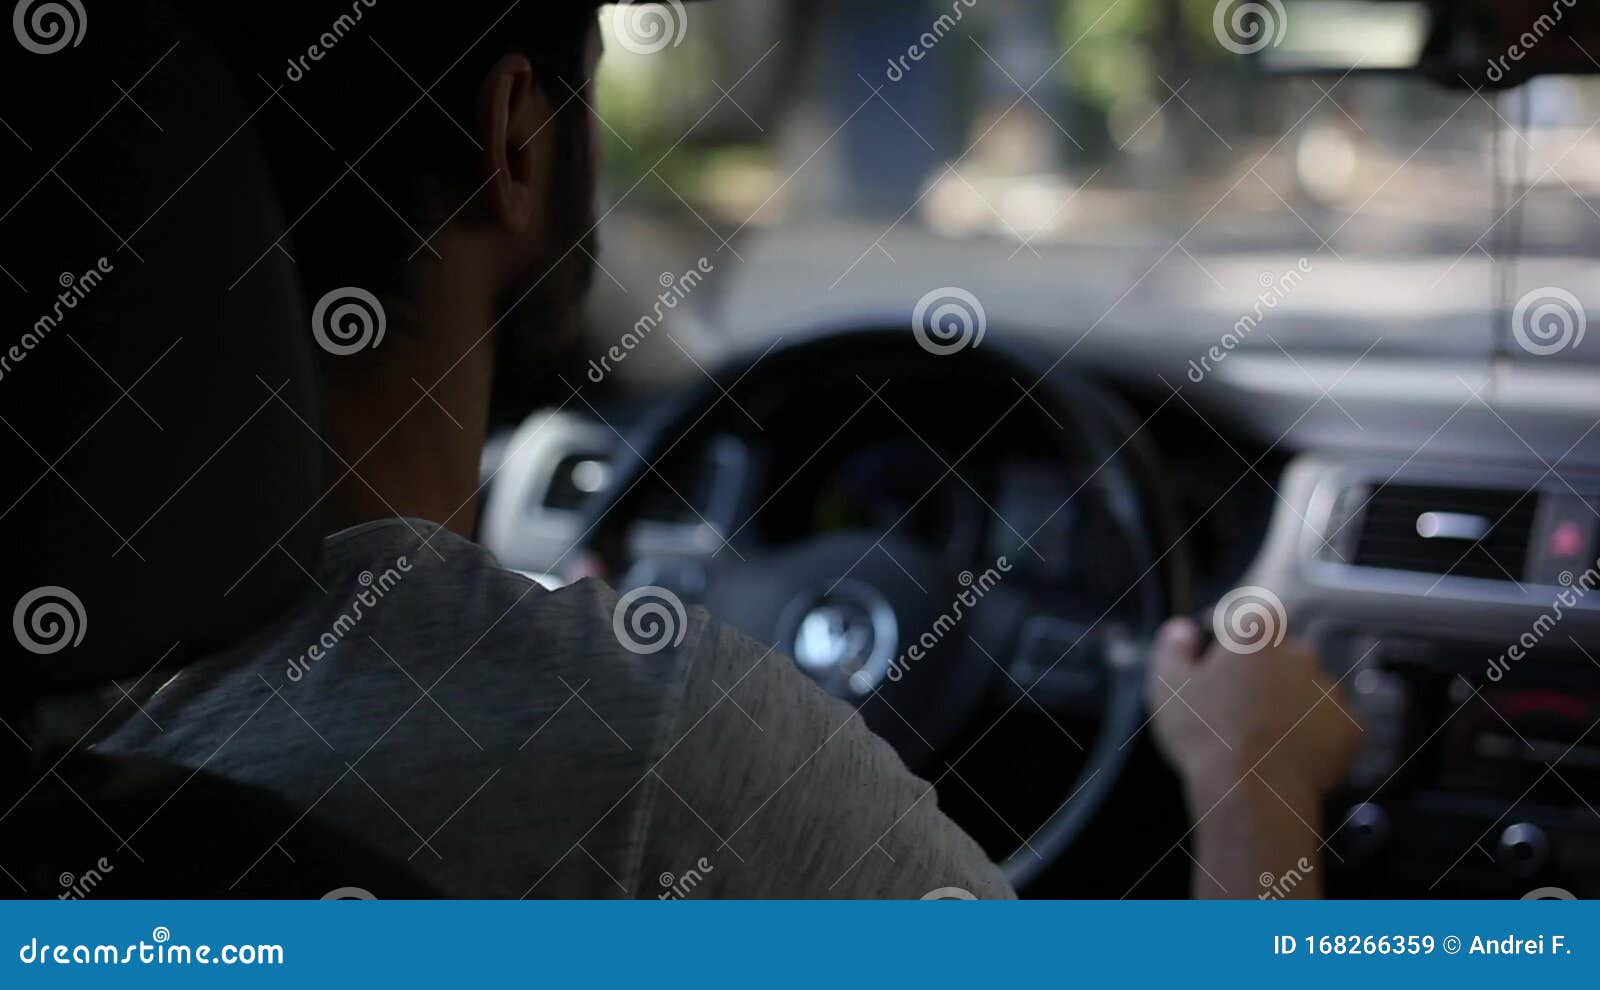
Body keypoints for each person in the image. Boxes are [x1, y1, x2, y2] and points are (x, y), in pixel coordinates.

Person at [97, 0, 1359, 898]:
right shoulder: (652, 738)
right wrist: (1253, 778)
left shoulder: (74, 684)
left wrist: (501, 627)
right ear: (516, 139)